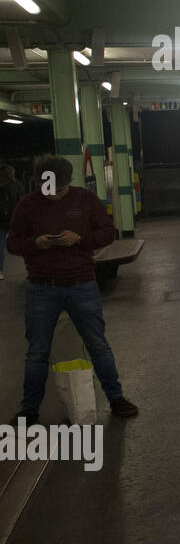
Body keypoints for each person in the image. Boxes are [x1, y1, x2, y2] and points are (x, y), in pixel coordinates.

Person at [5, 155, 139, 423]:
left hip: (82, 284)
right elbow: (13, 243)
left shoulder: (85, 200)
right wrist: (36, 243)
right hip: (42, 287)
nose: (55, 195)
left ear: (69, 182)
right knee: (37, 352)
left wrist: (81, 239)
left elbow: (107, 233)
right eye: (49, 189)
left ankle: (116, 398)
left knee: (97, 344)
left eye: (61, 189)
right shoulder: (27, 205)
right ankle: (29, 409)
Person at [0, 164, 22, 282]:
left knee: (0, 244)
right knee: (24, 243)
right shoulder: (17, 184)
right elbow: (21, 201)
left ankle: (0, 271)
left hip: (0, 220)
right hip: (14, 218)